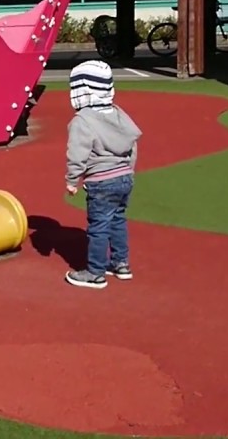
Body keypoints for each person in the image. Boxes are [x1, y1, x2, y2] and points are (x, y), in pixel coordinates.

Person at [62, 60, 142, 289]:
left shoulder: (83, 120)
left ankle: (95, 272)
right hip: (124, 177)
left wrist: (72, 179)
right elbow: (133, 143)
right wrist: (129, 171)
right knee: (117, 220)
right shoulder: (118, 113)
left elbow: (77, 152)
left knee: (98, 226)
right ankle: (121, 264)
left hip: (101, 181)